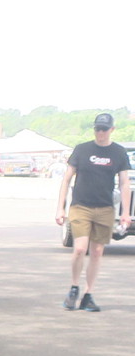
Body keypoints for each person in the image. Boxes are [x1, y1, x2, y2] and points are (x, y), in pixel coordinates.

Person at [56, 112, 130, 311]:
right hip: (81, 206)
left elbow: (124, 183)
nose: (100, 133)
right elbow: (66, 179)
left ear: (111, 130)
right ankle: (73, 287)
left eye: (104, 129)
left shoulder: (118, 152)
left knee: (97, 252)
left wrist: (124, 213)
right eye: (97, 129)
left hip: (105, 208)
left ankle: (88, 294)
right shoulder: (82, 150)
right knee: (80, 249)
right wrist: (60, 207)